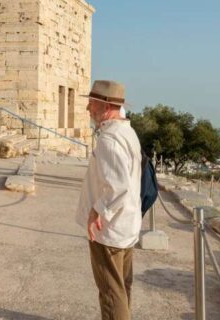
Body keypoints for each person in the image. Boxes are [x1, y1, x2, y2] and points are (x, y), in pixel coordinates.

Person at [75, 80, 142, 320]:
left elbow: (119, 187)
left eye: (91, 103)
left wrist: (96, 211)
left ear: (104, 106)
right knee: (121, 287)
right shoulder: (127, 132)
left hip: (109, 229)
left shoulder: (109, 140)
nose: (87, 109)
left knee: (111, 292)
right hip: (126, 224)